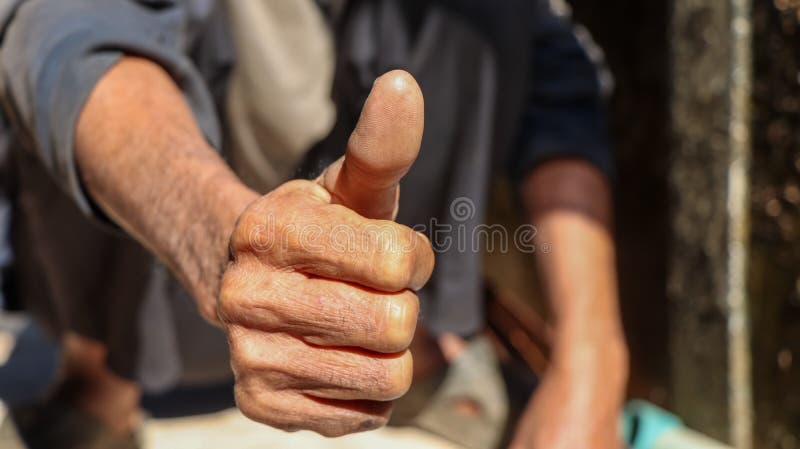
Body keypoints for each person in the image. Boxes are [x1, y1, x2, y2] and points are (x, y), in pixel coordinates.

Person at [0, 1, 628, 448]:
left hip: (366, 237)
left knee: (490, 14)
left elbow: (556, 76)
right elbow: (65, 35)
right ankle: (101, 377)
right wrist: (226, 237)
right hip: (161, 273)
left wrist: (591, 366)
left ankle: (410, 337)